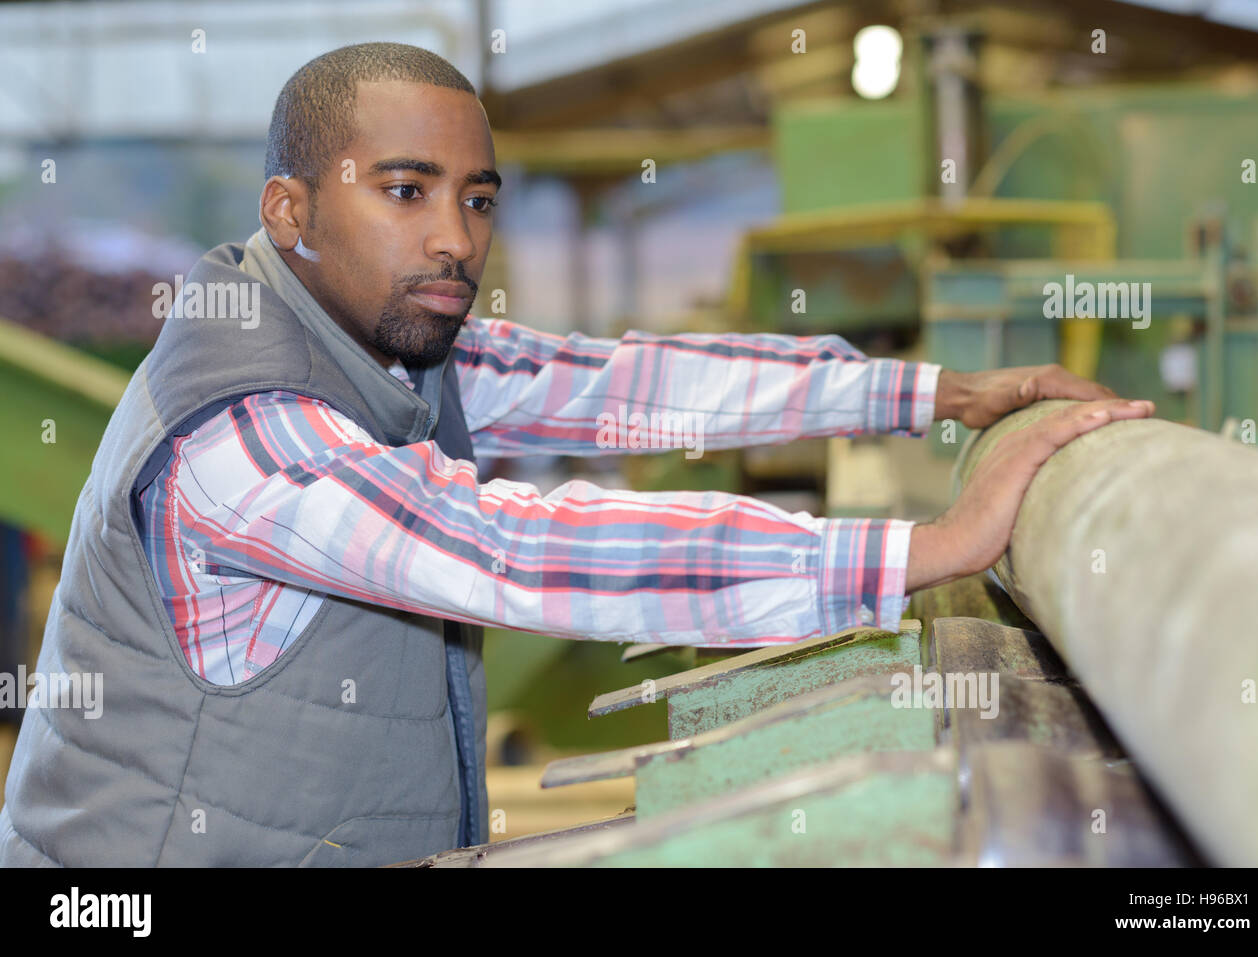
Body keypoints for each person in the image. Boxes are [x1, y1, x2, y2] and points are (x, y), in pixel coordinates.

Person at [0, 42, 1153, 867]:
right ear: (290, 212)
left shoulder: (389, 344)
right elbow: (509, 548)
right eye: (405, 192)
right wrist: (926, 548)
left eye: (478, 198)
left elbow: (622, 388)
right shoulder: (241, 433)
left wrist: (936, 393)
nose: (455, 239)